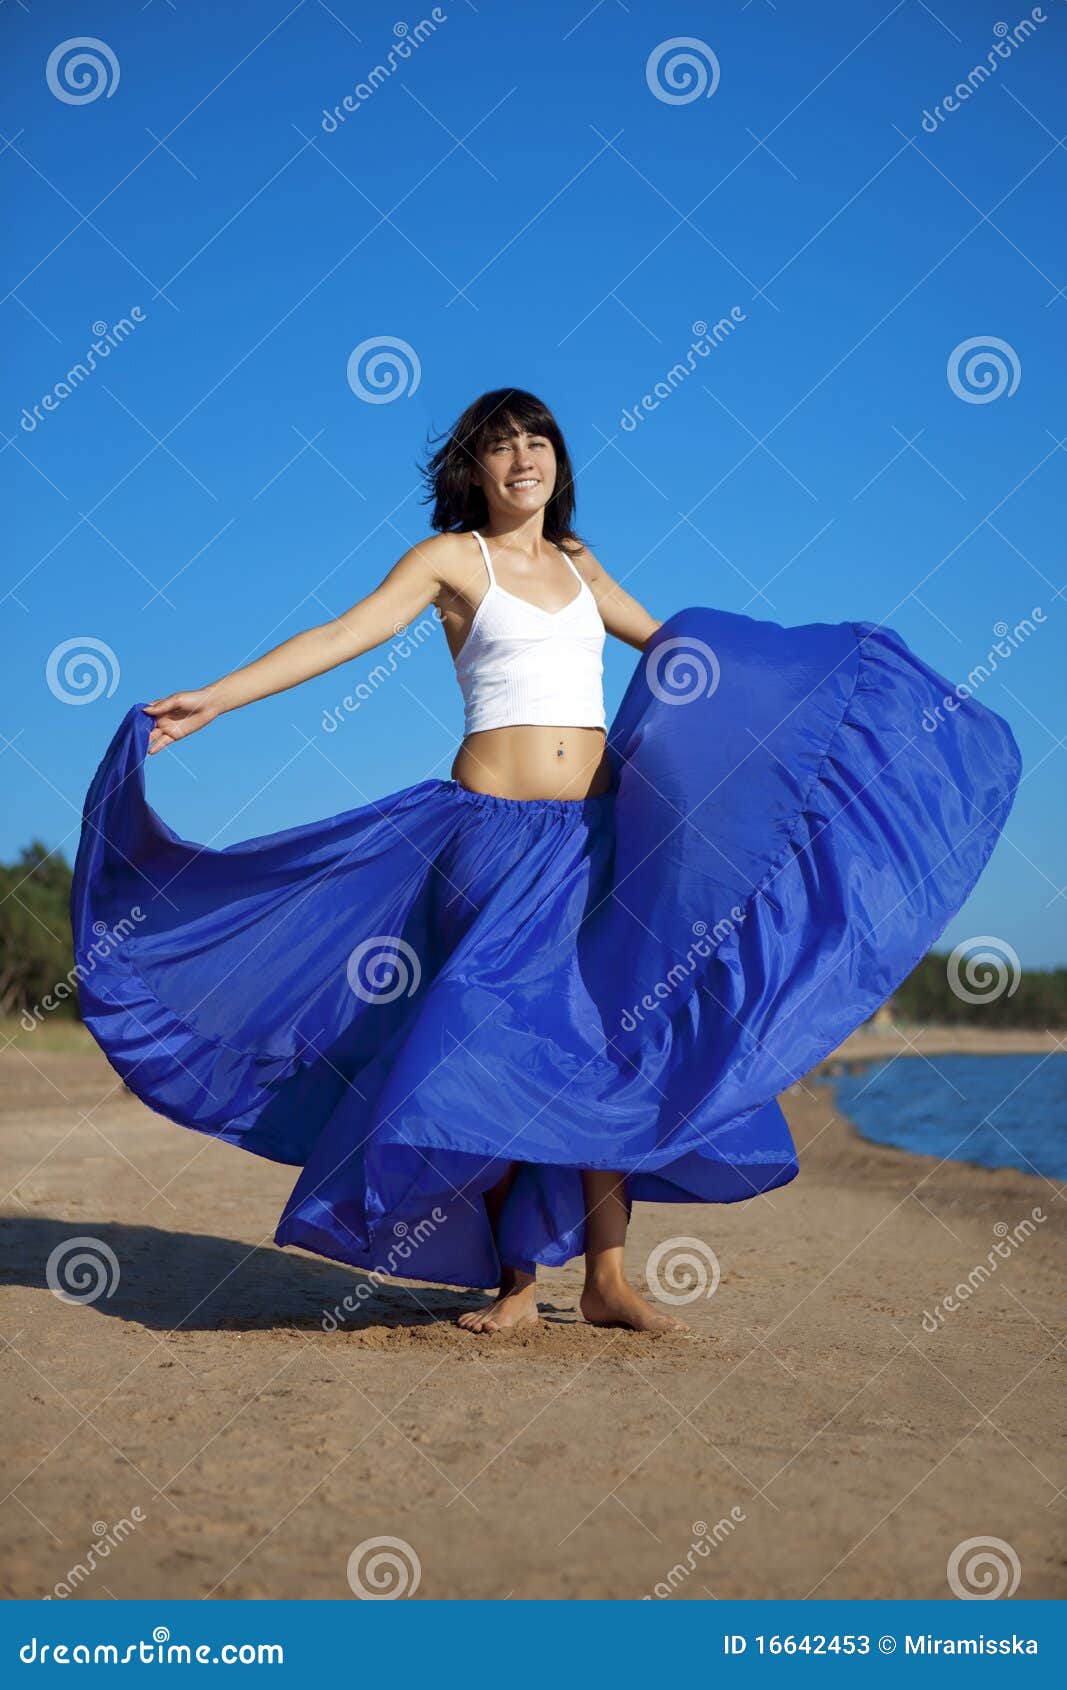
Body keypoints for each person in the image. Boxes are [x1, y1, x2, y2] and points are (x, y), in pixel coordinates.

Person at [71, 388, 1021, 1336]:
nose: (522, 457)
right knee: (490, 1042)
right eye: (500, 445)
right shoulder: (451, 560)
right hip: (487, 839)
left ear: (556, 462)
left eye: (537, 441)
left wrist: (825, 682)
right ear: (473, 469)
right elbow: (342, 635)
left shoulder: (577, 563)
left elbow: (680, 656)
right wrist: (218, 699)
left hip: (597, 840)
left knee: (606, 1046)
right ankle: (516, 1281)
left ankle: (607, 1279)